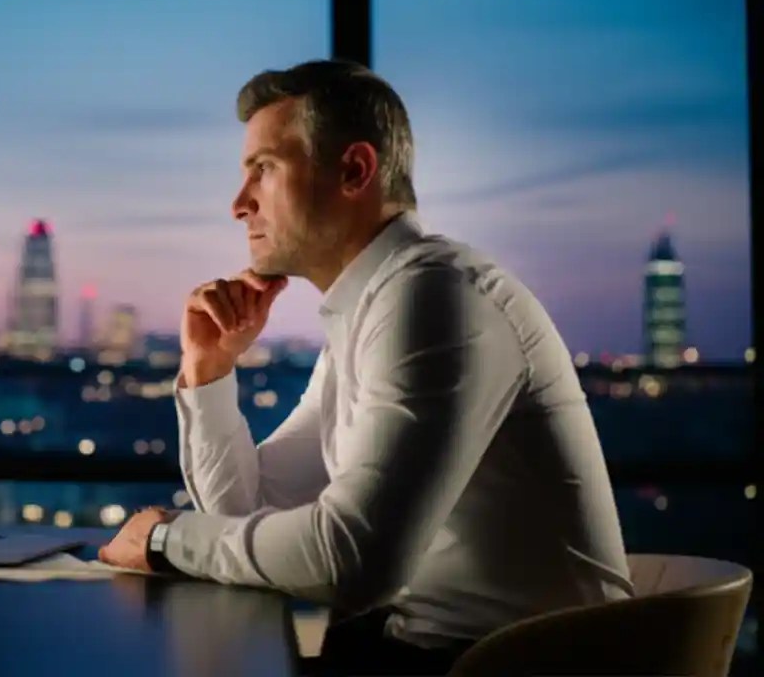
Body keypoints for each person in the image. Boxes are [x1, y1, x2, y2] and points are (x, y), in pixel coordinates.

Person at [98, 60, 634, 675]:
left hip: (511, 664)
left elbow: (353, 563)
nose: (238, 203)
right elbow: (244, 514)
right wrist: (210, 370)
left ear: (354, 170)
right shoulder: (370, 311)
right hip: (439, 652)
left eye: (264, 169)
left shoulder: (436, 296)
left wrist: (168, 539)